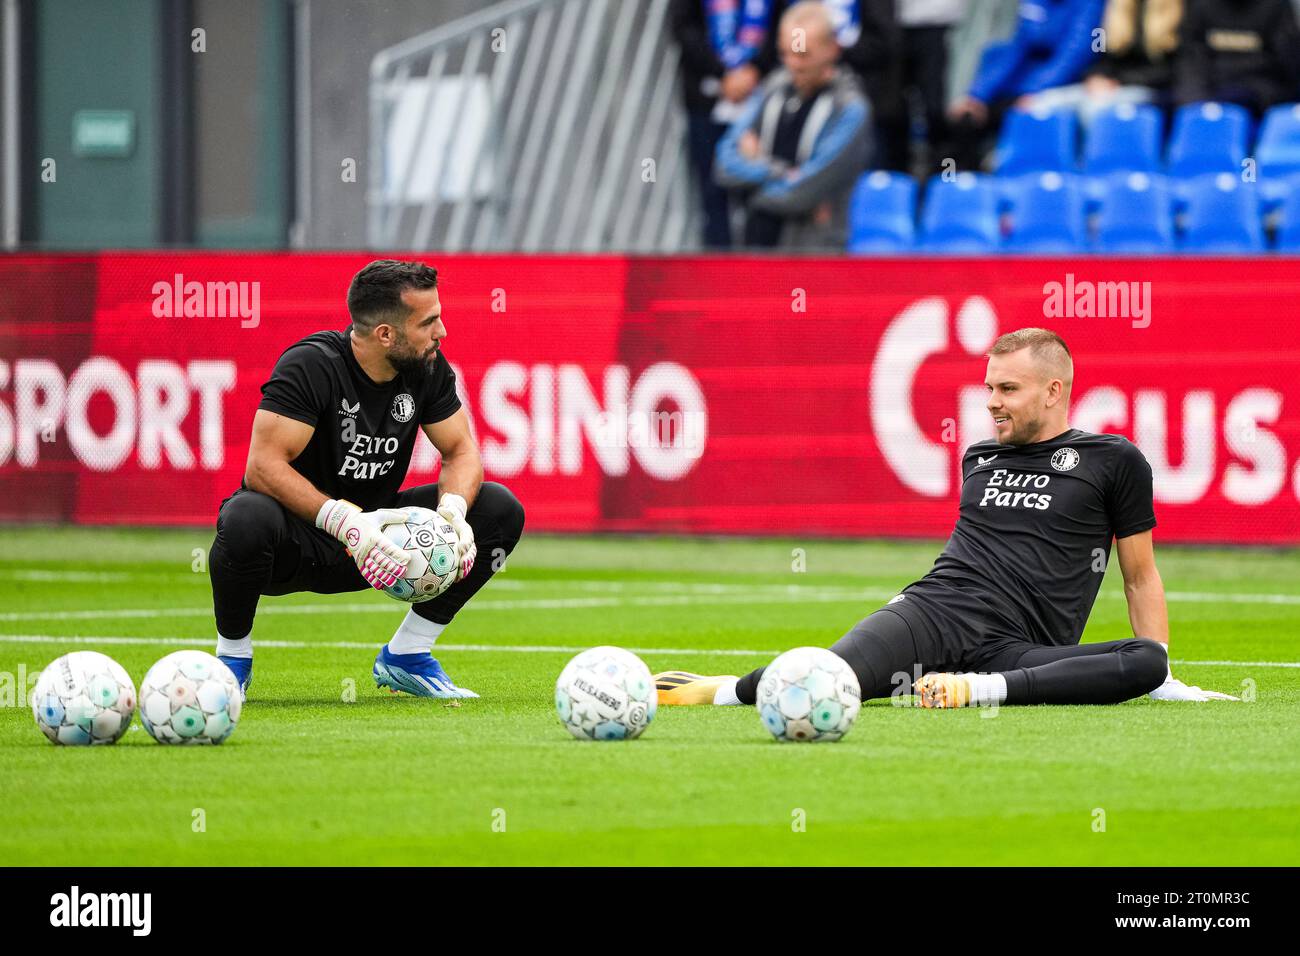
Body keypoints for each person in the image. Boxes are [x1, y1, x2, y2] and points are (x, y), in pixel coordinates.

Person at [656, 328, 1239, 708]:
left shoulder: (1114, 461)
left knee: (1144, 660)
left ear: (1054, 391)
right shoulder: (980, 457)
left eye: (1008, 388)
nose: (991, 401)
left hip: (1018, 647)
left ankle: (978, 689)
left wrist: (1162, 677)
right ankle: (716, 690)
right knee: (826, 679)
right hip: (933, 612)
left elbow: (1138, 576)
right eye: (989, 386)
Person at [208, 260, 525, 701]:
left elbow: (461, 451)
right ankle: (232, 662)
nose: (442, 332)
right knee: (245, 516)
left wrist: (453, 511)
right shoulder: (311, 365)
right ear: (385, 335)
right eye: (429, 322)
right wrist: (347, 524)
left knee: (498, 508)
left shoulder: (427, 367)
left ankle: (408, 656)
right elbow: (262, 467)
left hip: (385, 544)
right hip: (298, 542)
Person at [713, 0, 872, 249]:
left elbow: (803, 192)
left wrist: (752, 180)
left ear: (832, 49)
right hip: (757, 247)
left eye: (803, 54)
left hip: (815, 256)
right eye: (785, 53)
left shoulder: (850, 108)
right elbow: (723, 164)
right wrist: (778, 172)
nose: (793, 65)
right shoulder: (773, 88)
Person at [671, 0, 782, 248]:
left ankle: (761, 274)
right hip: (707, 100)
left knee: (764, 193)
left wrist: (755, 70)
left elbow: (785, 23)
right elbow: (683, 27)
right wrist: (722, 72)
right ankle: (718, 276)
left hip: (762, 99)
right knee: (712, 194)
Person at [947, 0, 1106, 168]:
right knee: (968, 120)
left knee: (1032, 110)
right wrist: (977, 94)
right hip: (1022, 88)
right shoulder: (1034, 3)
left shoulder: (1088, 4)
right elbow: (1015, 48)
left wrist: (1034, 91)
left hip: (1064, 86)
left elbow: (1075, 54)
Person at [1173, 0, 1300, 115]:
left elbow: (1287, 66)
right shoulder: (1202, 6)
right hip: (1211, 93)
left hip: (1260, 101)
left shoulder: (1276, 6)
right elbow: (1191, 64)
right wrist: (1197, 101)